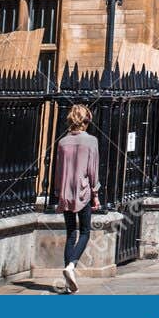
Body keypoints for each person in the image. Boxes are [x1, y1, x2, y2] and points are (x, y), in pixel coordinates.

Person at [55, 103, 100, 293]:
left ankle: (68, 282)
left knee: (71, 233)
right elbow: (93, 170)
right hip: (82, 192)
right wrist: (95, 194)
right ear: (86, 121)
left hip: (65, 191)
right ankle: (71, 266)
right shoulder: (91, 141)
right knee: (85, 232)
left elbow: (58, 171)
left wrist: (58, 192)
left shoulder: (62, 142)